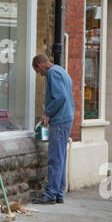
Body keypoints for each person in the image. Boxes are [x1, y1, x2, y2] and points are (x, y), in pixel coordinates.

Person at [31, 54, 75, 205]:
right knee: (61, 157)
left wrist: (47, 113)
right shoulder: (61, 70)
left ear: (40, 65)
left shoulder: (52, 73)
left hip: (60, 120)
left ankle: (50, 194)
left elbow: (60, 97)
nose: (41, 75)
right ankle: (58, 193)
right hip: (67, 118)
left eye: (39, 72)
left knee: (55, 158)